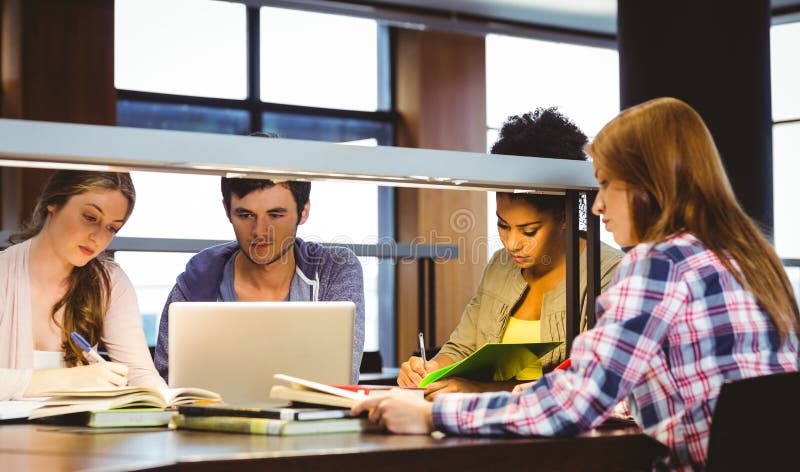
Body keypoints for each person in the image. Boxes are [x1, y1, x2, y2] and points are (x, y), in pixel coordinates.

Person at [354, 97, 800, 471]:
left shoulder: (658, 264)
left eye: (605, 185)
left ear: (647, 186)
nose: (599, 206)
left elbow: (574, 404)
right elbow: (690, 390)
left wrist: (432, 414)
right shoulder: (748, 259)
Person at [397, 108, 623, 398]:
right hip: (483, 424)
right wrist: (429, 370)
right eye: (503, 225)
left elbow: (585, 383)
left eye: (529, 230)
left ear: (564, 216)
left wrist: (480, 390)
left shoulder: (608, 272)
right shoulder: (500, 266)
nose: (512, 243)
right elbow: (462, 348)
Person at [154, 137, 365, 384]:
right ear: (227, 210)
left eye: (275, 215)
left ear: (304, 211)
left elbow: (340, 377)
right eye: (246, 215)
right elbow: (167, 380)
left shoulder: (334, 269)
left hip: (309, 420)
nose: (260, 231)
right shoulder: (198, 281)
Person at [0, 170, 165, 400]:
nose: (98, 237)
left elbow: (139, 373)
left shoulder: (109, 282)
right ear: (54, 203)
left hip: (77, 434)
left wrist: (171, 400)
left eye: (111, 228)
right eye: (90, 217)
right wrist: (70, 380)